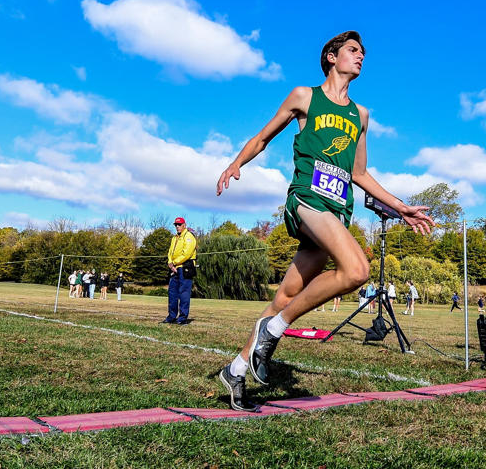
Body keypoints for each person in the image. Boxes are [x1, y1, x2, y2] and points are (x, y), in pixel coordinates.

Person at [215, 31, 434, 411]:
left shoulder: (361, 115)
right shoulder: (305, 96)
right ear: (331, 57)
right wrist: (236, 163)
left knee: (285, 296)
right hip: (306, 198)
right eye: (353, 50)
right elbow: (263, 137)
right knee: (357, 270)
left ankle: (236, 368)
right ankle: (275, 328)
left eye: (363, 52)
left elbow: (360, 174)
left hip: (336, 210)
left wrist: (401, 207)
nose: (360, 56)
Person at [164, 217, 197, 325]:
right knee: (172, 292)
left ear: (184, 225)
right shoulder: (174, 238)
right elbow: (170, 252)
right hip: (175, 268)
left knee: (184, 293)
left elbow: (186, 253)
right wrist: (170, 263)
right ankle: (171, 316)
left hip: (185, 267)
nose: (177, 226)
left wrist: (175, 263)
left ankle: (182, 318)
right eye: (176, 225)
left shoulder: (189, 237)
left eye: (179, 224)